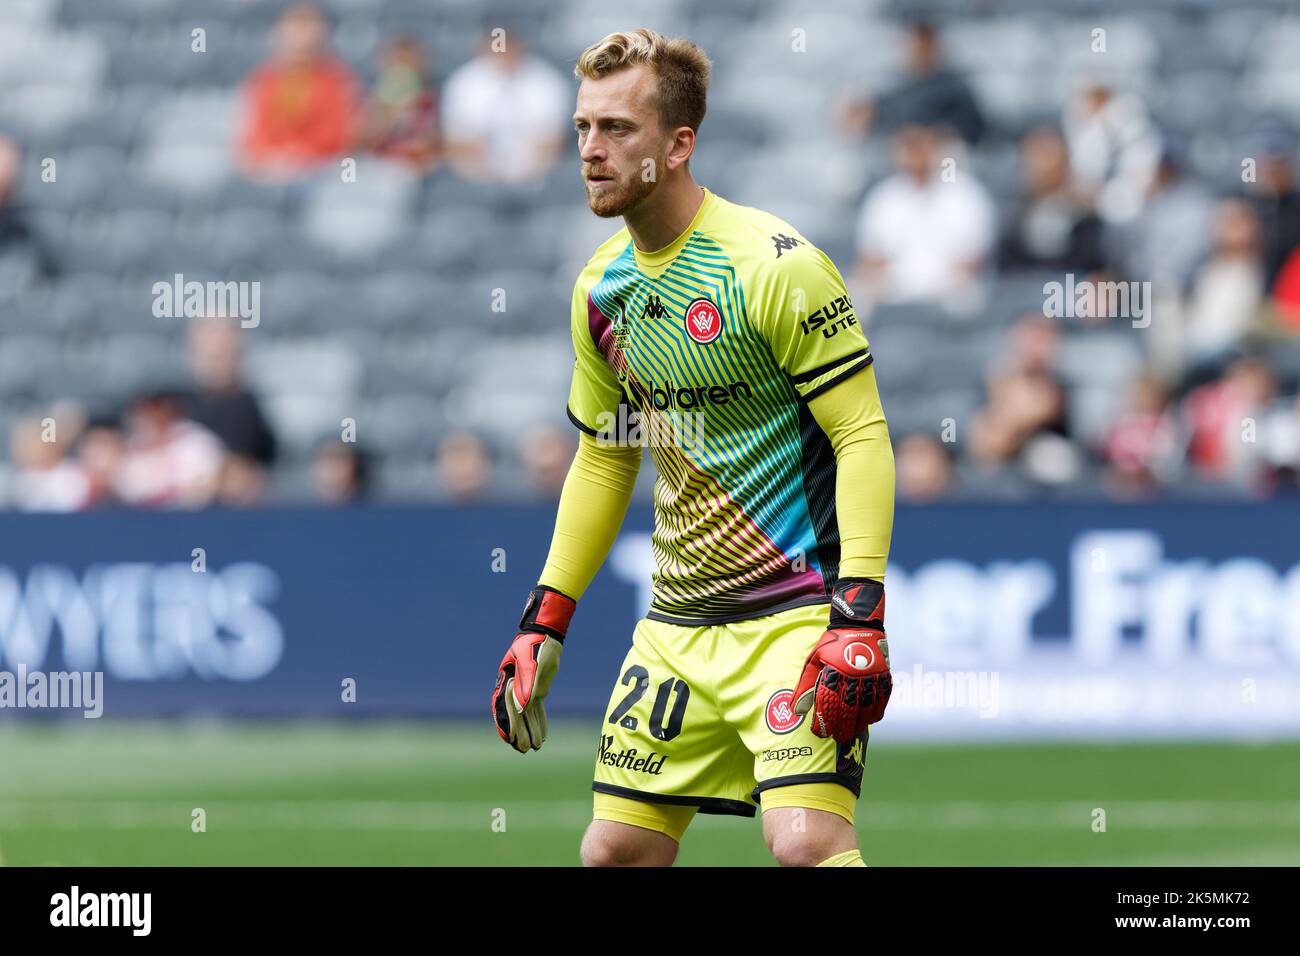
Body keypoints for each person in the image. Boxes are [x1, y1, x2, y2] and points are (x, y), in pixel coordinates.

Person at [490, 30, 895, 868]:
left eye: (617, 130)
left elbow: (860, 432)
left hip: (795, 612)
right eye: (581, 128)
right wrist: (546, 616)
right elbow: (607, 454)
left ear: (679, 146)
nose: (592, 152)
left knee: (807, 845)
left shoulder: (772, 266)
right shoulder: (602, 289)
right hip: (677, 627)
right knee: (614, 853)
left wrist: (861, 611)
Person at [854, 123, 996, 306]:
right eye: (908, 145)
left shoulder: (966, 194)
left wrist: (925, 282)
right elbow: (870, 260)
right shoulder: (883, 196)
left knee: (965, 298)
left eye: (922, 143)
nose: (916, 152)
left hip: (950, 292)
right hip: (894, 291)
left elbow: (973, 262)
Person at [237, 3, 360, 178]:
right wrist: (275, 157)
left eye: (309, 25)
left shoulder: (339, 80)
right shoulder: (263, 79)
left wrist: (300, 155)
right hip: (271, 168)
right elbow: (254, 134)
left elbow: (338, 135)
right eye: (296, 25)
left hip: (320, 171)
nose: (302, 35)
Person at [441, 34, 568, 185]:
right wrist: (489, 157)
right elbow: (455, 139)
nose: (505, 56)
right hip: (477, 171)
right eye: (499, 50)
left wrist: (519, 158)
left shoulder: (546, 81)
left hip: (534, 170)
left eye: (509, 50)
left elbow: (554, 140)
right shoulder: (464, 81)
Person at [838, 19, 984, 146]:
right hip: (899, 162)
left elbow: (972, 128)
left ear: (936, 48)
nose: (918, 53)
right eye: (914, 47)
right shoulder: (896, 87)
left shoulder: (955, 87)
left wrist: (935, 136)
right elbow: (875, 118)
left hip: (944, 162)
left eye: (924, 47)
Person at [359, 35, 441, 172]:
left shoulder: (431, 101)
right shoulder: (374, 101)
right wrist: (389, 114)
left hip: (419, 169)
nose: (404, 67)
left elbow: (435, 144)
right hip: (380, 169)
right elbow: (361, 144)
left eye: (410, 61)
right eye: (398, 61)